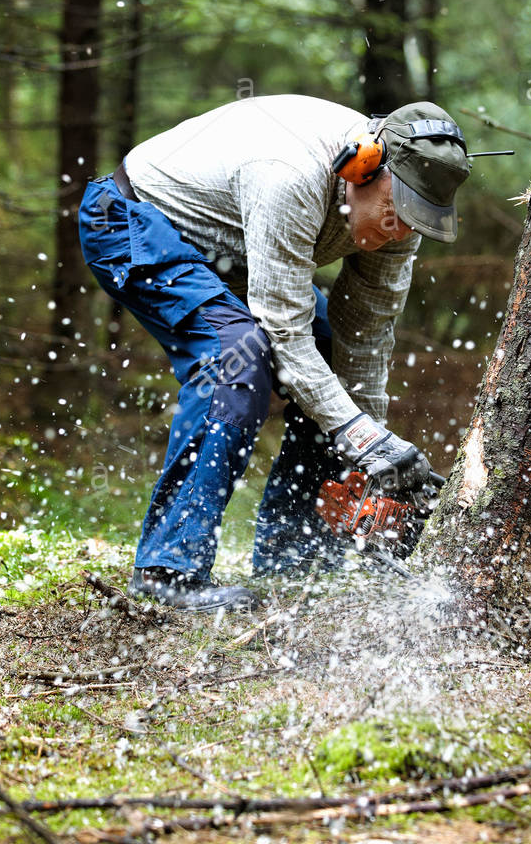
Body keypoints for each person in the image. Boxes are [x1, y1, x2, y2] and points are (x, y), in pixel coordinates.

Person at [78, 94, 470, 611]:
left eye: (415, 222)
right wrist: (362, 438)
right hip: (132, 218)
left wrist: (369, 455)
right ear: (362, 170)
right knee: (237, 356)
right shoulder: (289, 176)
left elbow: (365, 338)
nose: (397, 232)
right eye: (395, 213)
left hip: (235, 254)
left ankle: (295, 560)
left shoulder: (400, 222)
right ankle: (167, 570)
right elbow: (282, 332)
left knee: (326, 357)